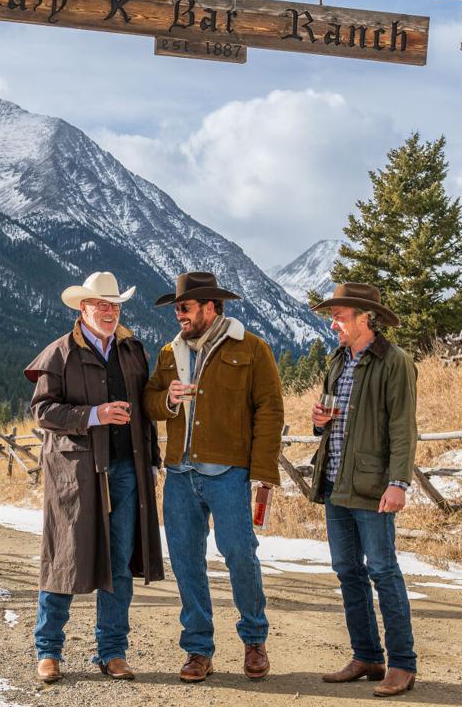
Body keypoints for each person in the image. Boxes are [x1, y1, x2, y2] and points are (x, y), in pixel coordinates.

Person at [24, 271, 165, 684]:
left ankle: (112, 652)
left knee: (119, 563)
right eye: (101, 304)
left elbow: (143, 412)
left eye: (115, 304)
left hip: (127, 470)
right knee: (65, 558)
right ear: (83, 307)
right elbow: (42, 412)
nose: (109, 311)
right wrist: (92, 415)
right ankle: (48, 651)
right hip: (76, 473)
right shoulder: (60, 353)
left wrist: (152, 461)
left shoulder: (133, 349)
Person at [143, 271, 284, 684]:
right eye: (176, 310)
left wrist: (262, 473)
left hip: (229, 473)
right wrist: (167, 399)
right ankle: (197, 649)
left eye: (184, 308)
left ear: (210, 307)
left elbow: (270, 411)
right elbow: (149, 399)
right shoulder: (169, 352)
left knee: (241, 554)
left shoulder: (252, 348)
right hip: (180, 473)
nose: (179, 316)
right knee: (186, 562)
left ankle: (254, 639)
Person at [308, 283, 419, 698]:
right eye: (332, 317)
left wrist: (398, 482)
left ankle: (402, 664)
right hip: (336, 482)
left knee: (383, 572)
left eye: (339, 316)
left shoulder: (395, 361)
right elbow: (328, 420)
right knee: (347, 571)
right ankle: (367, 655)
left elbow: (403, 427)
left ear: (364, 318)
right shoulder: (338, 360)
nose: (333, 324)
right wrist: (319, 421)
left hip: (374, 487)